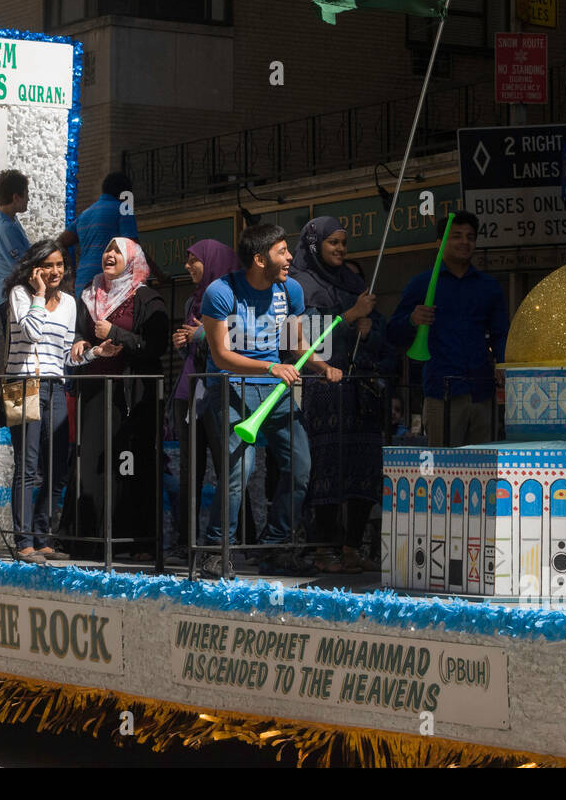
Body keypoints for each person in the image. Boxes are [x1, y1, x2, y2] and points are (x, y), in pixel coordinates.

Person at [198, 221, 342, 578]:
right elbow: (220, 356)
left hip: (273, 391)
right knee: (238, 471)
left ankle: (275, 546)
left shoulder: (290, 290)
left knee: (301, 466)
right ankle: (215, 552)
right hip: (229, 387)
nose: (290, 256)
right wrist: (271, 368)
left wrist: (321, 366)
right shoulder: (220, 292)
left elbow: (296, 346)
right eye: (282, 251)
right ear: (260, 259)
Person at [1, 239, 115, 564]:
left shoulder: (68, 303)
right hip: (21, 385)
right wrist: (37, 294)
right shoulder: (20, 295)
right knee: (27, 465)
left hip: (54, 385)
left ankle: (42, 534)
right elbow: (32, 332)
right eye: (48, 265)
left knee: (58, 466)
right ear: (35, 267)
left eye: (59, 265)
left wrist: (94, 352)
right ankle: (23, 540)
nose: (54, 271)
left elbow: (66, 355)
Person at [289, 216, 386, 574]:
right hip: (323, 391)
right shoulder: (299, 285)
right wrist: (349, 316)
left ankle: (351, 547)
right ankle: (322, 549)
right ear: (315, 245)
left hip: (360, 391)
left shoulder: (354, 282)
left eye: (344, 243)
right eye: (333, 243)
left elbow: (379, 337)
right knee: (324, 471)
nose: (341, 249)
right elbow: (301, 341)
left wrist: (368, 326)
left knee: (362, 470)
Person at [68, 237, 169, 563]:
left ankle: (137, 540)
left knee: (132, 465)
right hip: (97, 391)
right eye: (106, 250)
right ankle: (90, 541)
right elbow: (80, 330)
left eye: (117, 251)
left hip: (132, 395)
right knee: (93, 464)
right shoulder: (88, 294)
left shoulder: (147, 299)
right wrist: (81, 342)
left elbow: (155, 346)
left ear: (132, 260)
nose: (109, 255)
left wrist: (115, 332)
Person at [386, 210, 509, 447]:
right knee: (443, 471)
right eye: (456, 236)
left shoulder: (489, 287)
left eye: (470, 237)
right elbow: (393, 332)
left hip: (482, 391)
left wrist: (502, 364)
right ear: (440, 243)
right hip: (440, 392)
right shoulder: (421, 283)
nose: (465, 242)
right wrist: (412, 319)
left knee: (484, 470)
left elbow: (501, 332)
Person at [169, 239, 252, 554]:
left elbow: (239, 337)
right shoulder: (192, 302)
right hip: (189, 392)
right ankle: (186, 540)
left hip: (221, 393)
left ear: (212, 260)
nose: (188, 266)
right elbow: (192, 352)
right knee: (191, 469)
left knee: (228, 467)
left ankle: (241, 537)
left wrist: (201, 334)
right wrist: (183, 341)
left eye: (194, 260)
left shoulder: (233, 298)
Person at [59, 171, 140, 295]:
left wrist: (72, 274)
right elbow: (134, 247)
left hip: (83, 285)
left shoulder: (85, 214)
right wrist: (159, 274)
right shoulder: (124, 210)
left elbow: (60, 242)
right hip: (108, 286)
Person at [0, 169, 31, 334]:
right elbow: (23, 265)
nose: (28, 198)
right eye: (26, 194)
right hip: (10, 298)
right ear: (16, 197)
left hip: (11, 296)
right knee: (15, 350)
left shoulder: (7, 219)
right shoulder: (5, 228)